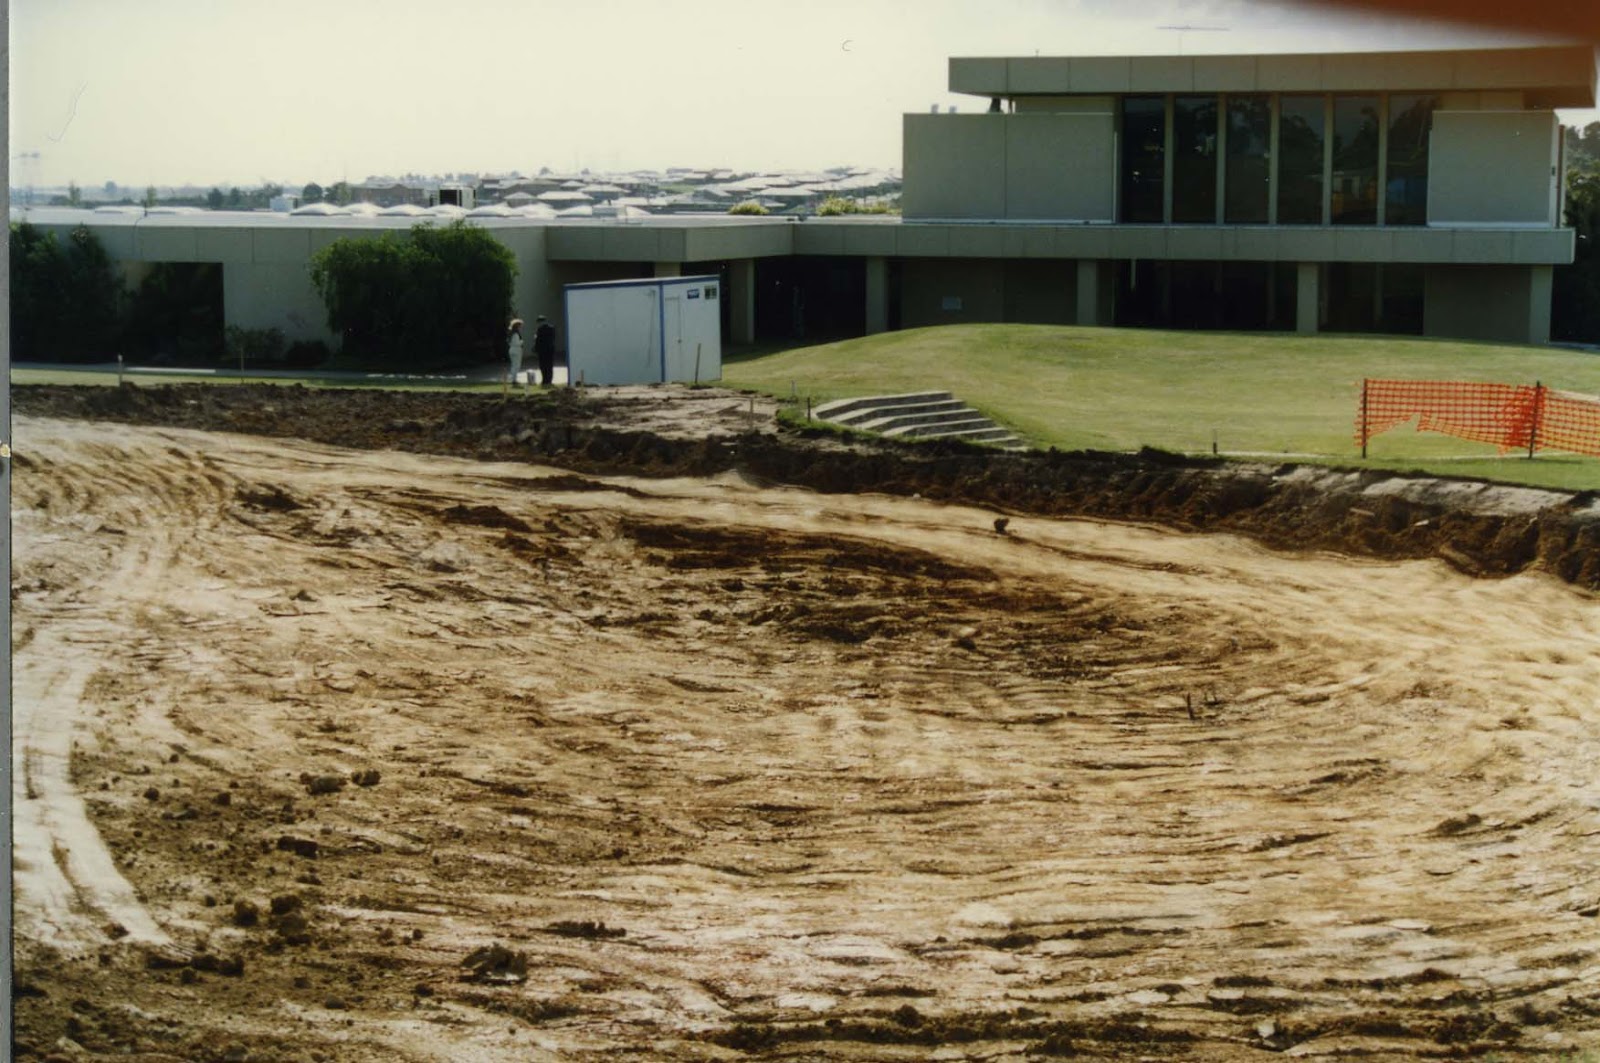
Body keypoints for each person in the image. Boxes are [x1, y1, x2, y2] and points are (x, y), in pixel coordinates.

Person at [533, 315, 557, 387]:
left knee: (543, 366)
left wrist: (535, 348)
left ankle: (544, 380)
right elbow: (553, 338)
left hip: (542, 350)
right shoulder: (552, 328)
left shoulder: (539, 329)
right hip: (550, 349)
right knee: (549, 365)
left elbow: (538, 341)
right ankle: (549, 380)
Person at [506, 319, 525, 390]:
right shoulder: (516, 334)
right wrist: (522, 341)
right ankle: (514, 380)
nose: (521, 327)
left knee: (514, 365)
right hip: (516, 350)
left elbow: (509, 342)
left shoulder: (511, 333)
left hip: (512, 350)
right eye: (520, 326)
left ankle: (514, 379)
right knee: (516, 366)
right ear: (517, 326)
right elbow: (517, 343)